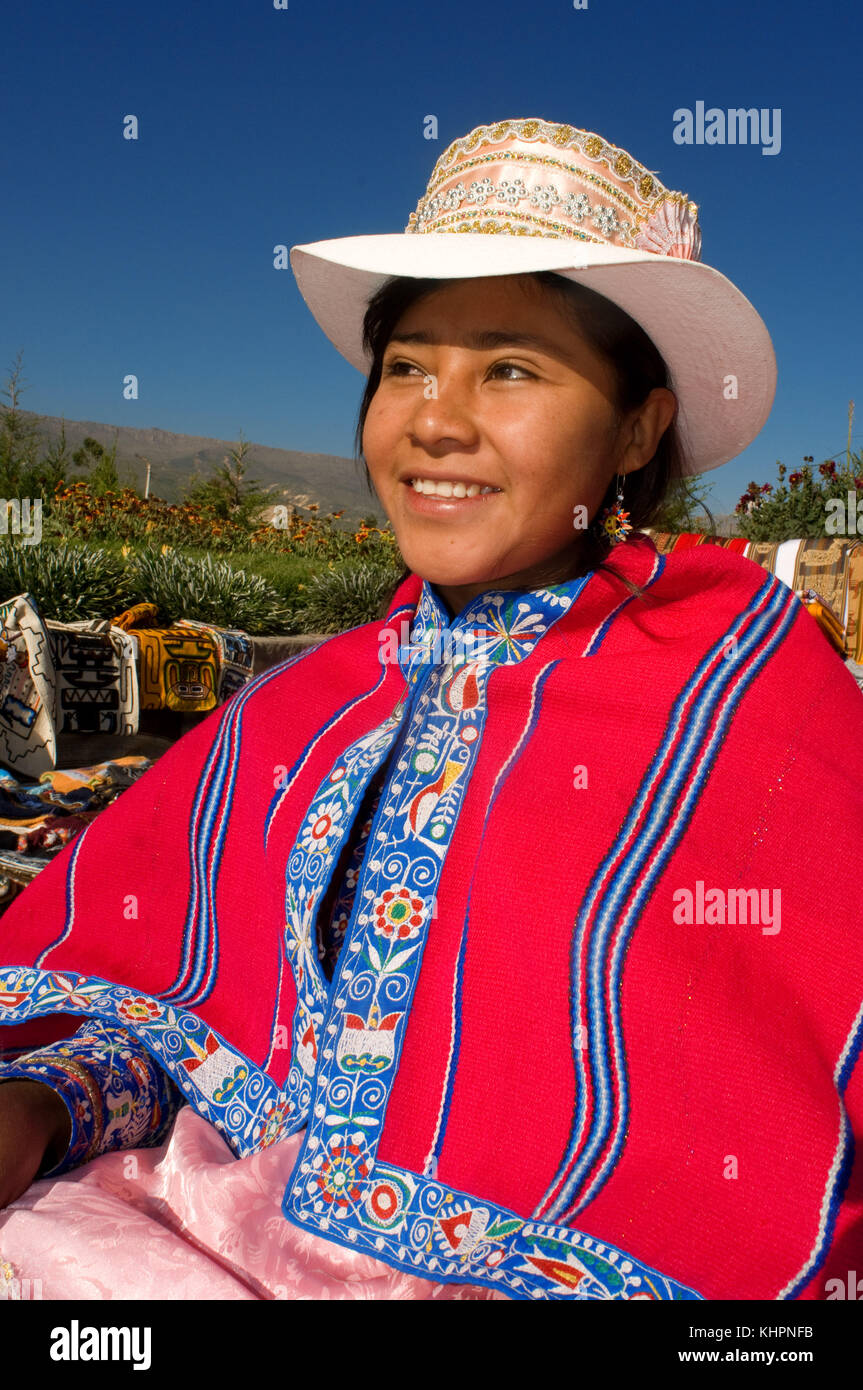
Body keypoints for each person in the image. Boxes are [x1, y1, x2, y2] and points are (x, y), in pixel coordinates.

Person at [1, 116, 862, 1302]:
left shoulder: (745, 709)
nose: (433, 419)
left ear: (636, 426)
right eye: (407, 363)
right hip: (167, 1235)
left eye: (508, 368)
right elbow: (180, 1008)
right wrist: (42, 1102)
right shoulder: (301, 707)